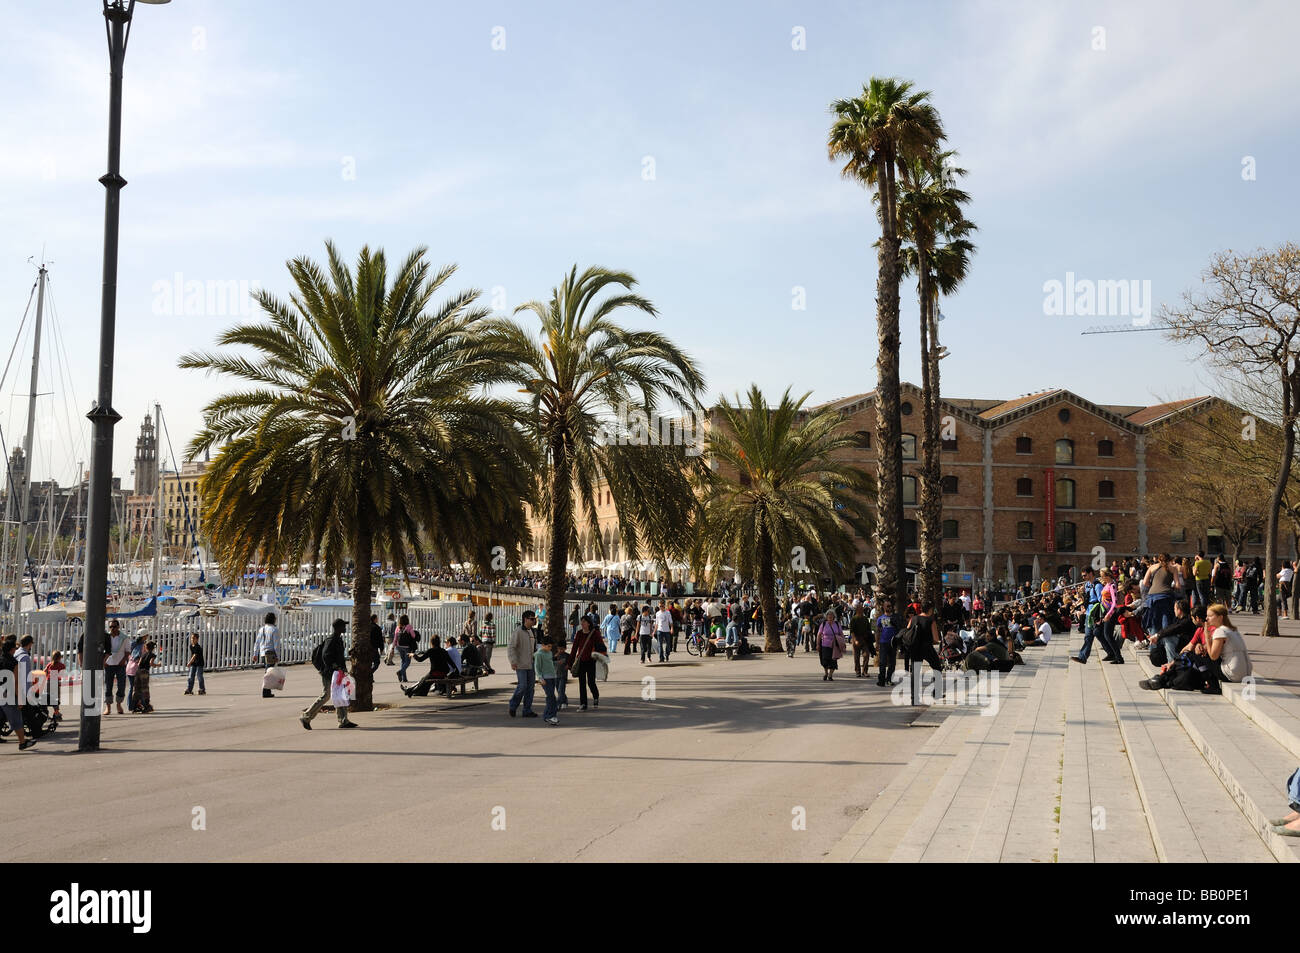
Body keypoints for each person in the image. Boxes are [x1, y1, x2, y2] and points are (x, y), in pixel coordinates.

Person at [301, 619, 357, 729]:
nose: (345, 628)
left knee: (341, 694)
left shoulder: (337, 639)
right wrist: (335, 667)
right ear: (339, 628)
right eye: (343, 626)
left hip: (337, 672)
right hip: (330, 673)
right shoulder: (331, 640)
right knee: (326, 695)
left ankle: (343, 720)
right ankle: (306, 717)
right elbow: (326, 656)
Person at [0, 638, 33, 750]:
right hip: (8, 694)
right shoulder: (13, 663)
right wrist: (20, 699)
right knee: (16, 719)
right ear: (12, 649)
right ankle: (22, 742)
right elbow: (16, 682)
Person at [569, 616, 607, 711]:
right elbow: (574, 649)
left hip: (591, 661)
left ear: (588, 623)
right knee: (582, 683)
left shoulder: (595, 634)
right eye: (581, 622)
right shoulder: (579, 634)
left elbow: (602, 647)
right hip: (581, 661)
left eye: (584, 622)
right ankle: (583, 704)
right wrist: (570, 663)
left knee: (591, 682)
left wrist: (597, 652)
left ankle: (595, 696)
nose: (582, 624)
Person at [507, 610, 539, 718]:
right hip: (520, 664)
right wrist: (513, 661)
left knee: (530, 688)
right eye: (531, 619)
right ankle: (513, 705)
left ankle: (527, 710)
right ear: (525, 619)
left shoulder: (532, 632)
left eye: (534, 619)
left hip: (531, 664)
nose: (534, 620)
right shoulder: (518, 631)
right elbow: (511, 647)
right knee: (522, 686)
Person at [254, 612, 280, 698]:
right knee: (269, 673)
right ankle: (265, 691)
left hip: (262, 653)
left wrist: (255, 654)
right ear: (273, 620)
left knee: (267, 672)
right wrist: (277, 656)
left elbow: (257, 642)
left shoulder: (262, 629)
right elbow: (276, 644)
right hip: (270, 653)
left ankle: (267, 691)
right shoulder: (274, 629)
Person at [818, 612, 845, 681]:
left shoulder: (837, 624)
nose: (830, 618)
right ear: (826, 617)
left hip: (834, 645)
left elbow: (841, 634)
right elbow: (819, 634)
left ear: (834, 617)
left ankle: (830, 675)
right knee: (824, 660)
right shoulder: (823, 624)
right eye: (828, 616)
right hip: (825, 644)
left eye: (831, 616)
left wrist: (843, 643)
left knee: (833, 661)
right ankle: (826, 673)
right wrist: (818, 644)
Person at [875, 601, 897, 686]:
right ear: (884, 607)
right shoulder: (880, 618)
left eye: (890, 606)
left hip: (893, 643)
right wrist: (877, 643)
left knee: (892, 663)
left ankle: (889, 679)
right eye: (887, 606)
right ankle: (881, 680)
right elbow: (877, 631)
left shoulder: (895, 618)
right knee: (882, 662)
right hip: (883, 643)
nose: (889, 607)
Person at [133, 640, 157, 714]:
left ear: (146, 648)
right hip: (145, 672)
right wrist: (157, 665)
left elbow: (139, 663)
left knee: (137, 688)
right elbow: (151, 663)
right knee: (145, 689)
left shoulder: (143, 654)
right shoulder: (152, 655)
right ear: (153, 648)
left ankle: (135, 706)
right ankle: (147, 706)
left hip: (138, 672)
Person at [395, 614, 417, 683]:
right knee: (407, 662)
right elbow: (413, 636)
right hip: (407, 647)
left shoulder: (398, 627)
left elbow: (395, 637)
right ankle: (400, 672)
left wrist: (393, 646)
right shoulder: (408, 627)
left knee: (403, 661)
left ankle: (404, 678)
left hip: (399, 646)